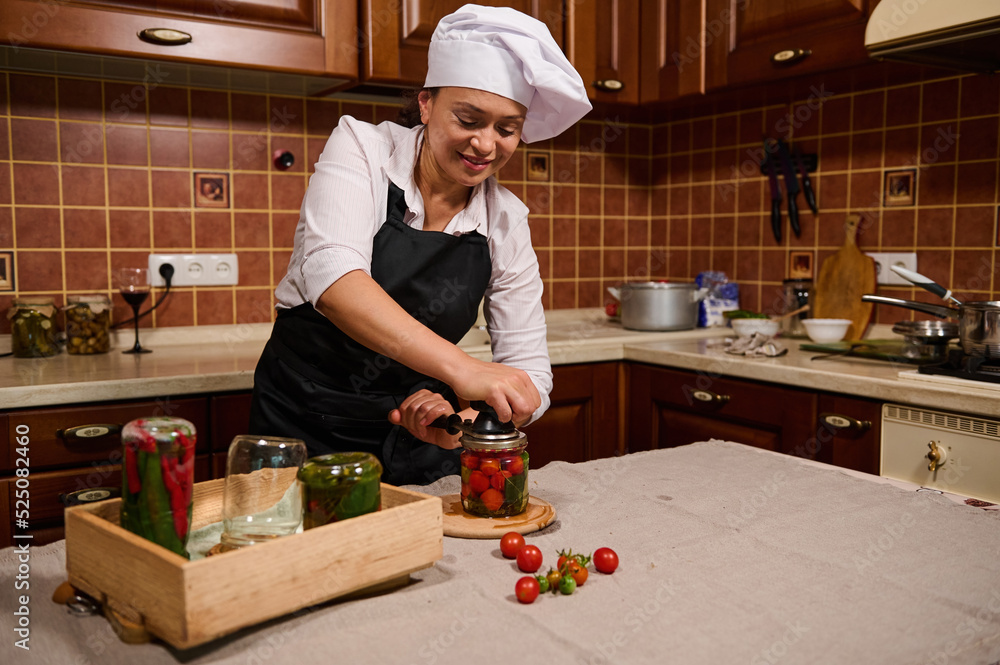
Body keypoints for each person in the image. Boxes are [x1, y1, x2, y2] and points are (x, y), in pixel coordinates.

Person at [248, 4, 592, 485]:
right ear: (426, 104)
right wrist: (463, 369)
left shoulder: (505, 220)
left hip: (421, 439)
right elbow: (332, 276)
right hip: (304, 427)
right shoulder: (363, 148)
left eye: (506, 128)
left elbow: (529, 371)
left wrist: (471, 423)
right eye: (469, 119)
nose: (486, 145)